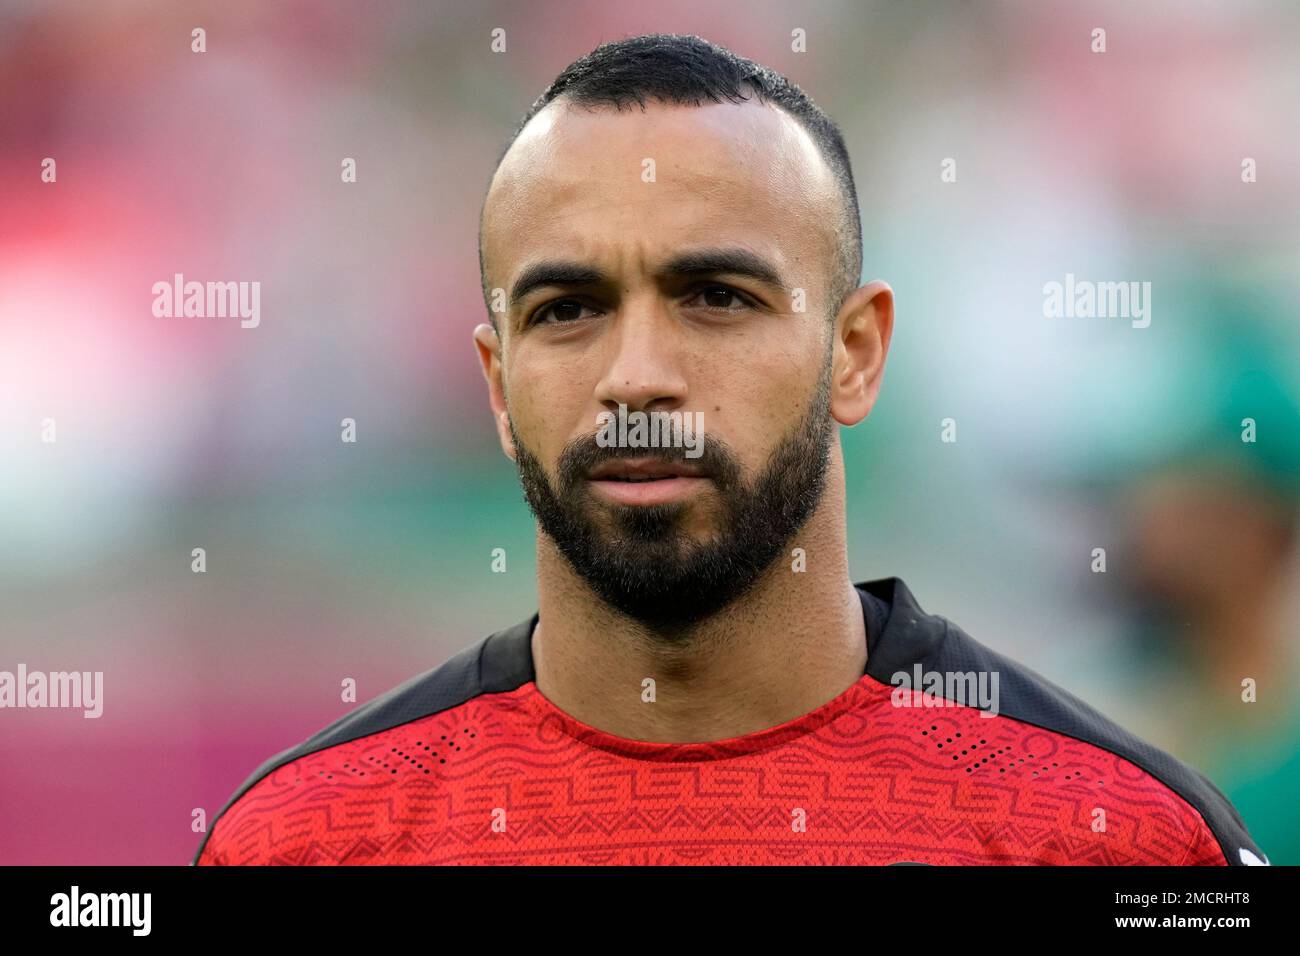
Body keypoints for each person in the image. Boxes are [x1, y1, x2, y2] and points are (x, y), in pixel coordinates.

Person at [194, 34, 1265, 865]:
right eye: (568, 309)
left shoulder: (1119, 836)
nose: (636, 374)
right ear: (497, 384)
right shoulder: (306, 840)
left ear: (854, 352)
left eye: (715, 296)